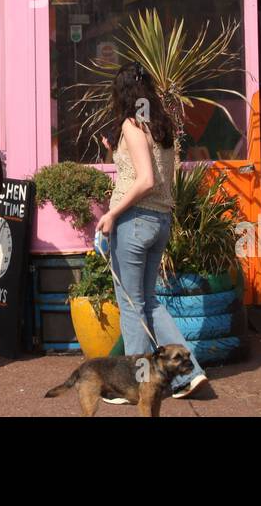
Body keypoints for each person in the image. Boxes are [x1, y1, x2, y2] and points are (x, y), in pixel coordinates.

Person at [94, 62, 208, 400]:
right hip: (160, 220)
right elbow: (146, 170)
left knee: (131, 306)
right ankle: (188, 374)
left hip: (134, 222)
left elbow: (145, 179)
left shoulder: (132, 124)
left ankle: (135, 385)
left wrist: (112, 213)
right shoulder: (161, 126)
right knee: (148, 303)